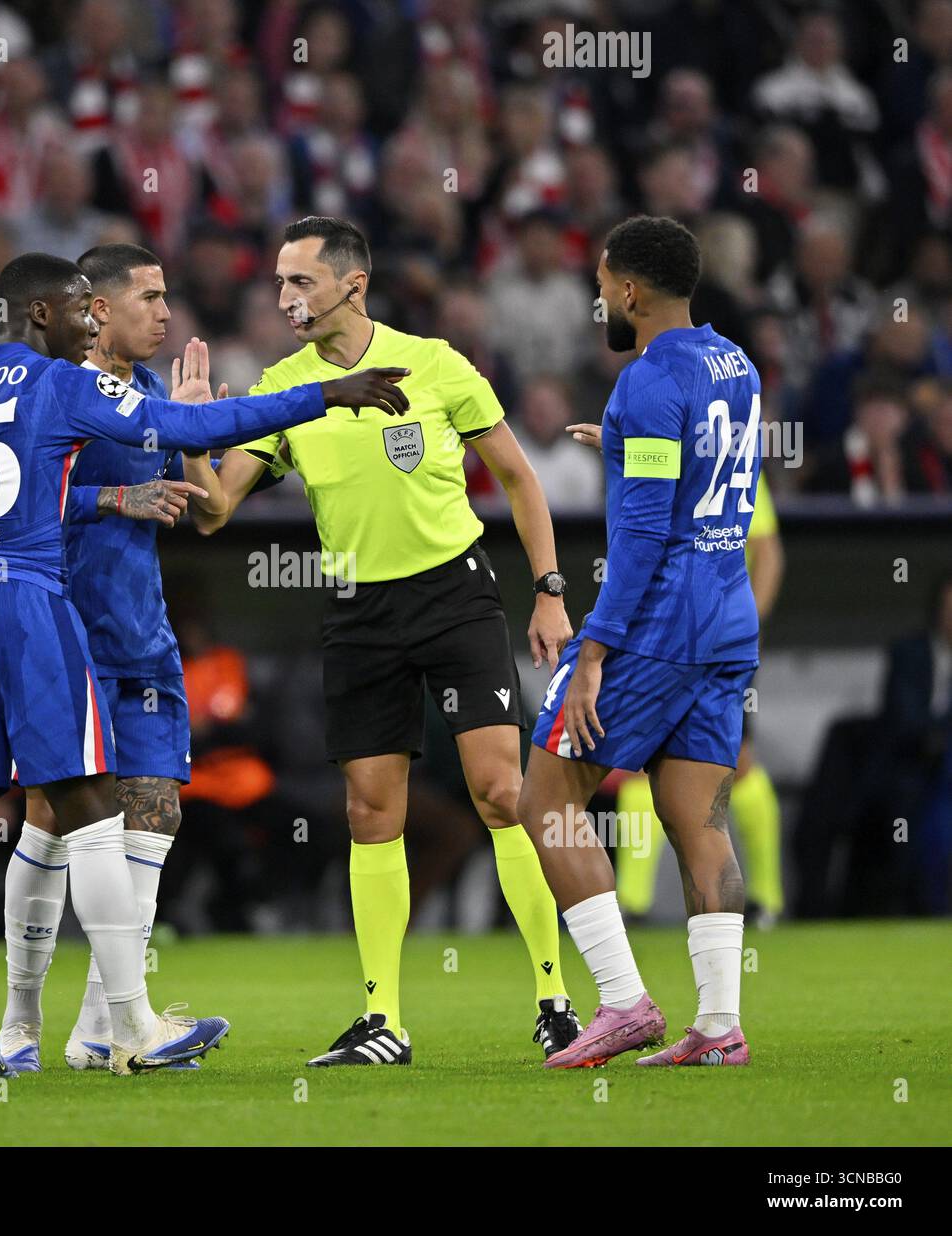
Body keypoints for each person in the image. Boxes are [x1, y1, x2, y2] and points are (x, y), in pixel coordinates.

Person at [0, 249, 409, 1078]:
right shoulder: (62, 384)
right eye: (78, 308)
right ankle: (126, 1023)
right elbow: (188, 430)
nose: (89, 320)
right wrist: (324, 394)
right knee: (89, 816)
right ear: (41, 314)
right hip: (33, 607)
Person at [190, 215, 582, 1066]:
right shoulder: (284, 389)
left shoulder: (436, 364)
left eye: (301, 282)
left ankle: (555, 1000)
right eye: (280, 283)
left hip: (455, 594)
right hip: (360, 610)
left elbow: (519, 478)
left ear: (351, 285)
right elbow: (218, 511)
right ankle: (384, 1022)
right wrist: (193, 435)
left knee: (500, 793)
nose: (285, 298)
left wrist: (549, 593)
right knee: (372, 812)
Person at [526, 215, 760, 1068]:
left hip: (660, 623)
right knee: (698, 816)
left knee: (544, 799)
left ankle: (624, 1003)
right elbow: (704, 468)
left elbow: (649, 534)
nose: (598, 297)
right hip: (728, 616)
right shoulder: (735, 361)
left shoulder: (647, 382)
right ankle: (720, 1025)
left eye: (601, 283)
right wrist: (623, 446)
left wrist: (594, 650)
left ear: (629, 289)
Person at [0, 242, 235, 1073]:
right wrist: (112, 495)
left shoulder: (156, 392)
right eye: (151, 297)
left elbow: (208, 517)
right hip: (61, 631)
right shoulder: (52, 391)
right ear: (97, 309)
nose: (167, 312)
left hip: (140, 636)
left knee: (155, 813)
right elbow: (8, 502)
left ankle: (103, 1030)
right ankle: (18, 1023)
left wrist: (198, 430)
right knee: (51, 821)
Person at [613, 471, 785, 927]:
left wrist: (750, 623)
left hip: (718, 638)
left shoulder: (735, 461)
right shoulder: (654, 452)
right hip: (658, 634)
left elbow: (767, 551)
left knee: (735, 763)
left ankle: (767, 898)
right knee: (637, 759)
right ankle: (631, 903)